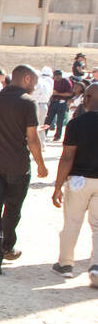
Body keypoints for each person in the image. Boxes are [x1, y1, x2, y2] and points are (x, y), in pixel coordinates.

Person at [0, 65, 48, 275]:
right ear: (26, 78)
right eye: (34, 83)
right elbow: (33, 139)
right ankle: (7, 246)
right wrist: (41, 164)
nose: (35, 87)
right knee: (12, 210)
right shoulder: (28, 103)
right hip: (17, 165)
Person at [51, 83, 98, 286]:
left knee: (72, 222)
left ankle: (66, 264)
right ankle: (96, 266)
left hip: (79, 180)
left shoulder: (76, 124)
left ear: (86, 98)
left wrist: (57, 186)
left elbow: (67, 157)